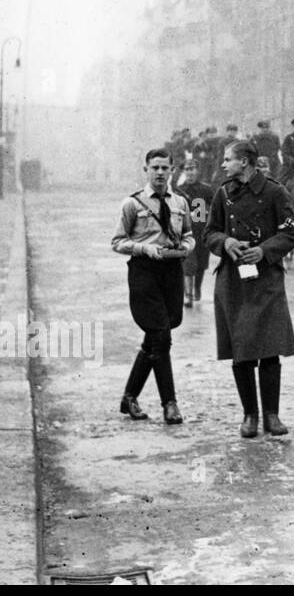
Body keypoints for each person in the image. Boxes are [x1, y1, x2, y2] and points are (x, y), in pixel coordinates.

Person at [206, 139, 294, 437]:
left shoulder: (274, 191)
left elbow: (292, 231)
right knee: (242, 348)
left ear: (244, 162)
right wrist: (227, 242)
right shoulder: (224, 193)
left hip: (266, 279)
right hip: (233, 282)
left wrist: (264, 251)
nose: (223, 165)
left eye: (228, 159)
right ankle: (250, 415)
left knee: (270, 347)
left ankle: (272, 416)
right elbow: (210, 232)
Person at [111, 147, 195, 423]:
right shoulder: (132, 203)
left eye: (165, 168)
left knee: (158, 335)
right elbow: (117, 242)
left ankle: (129, 398)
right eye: (155, 168)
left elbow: (189, 235)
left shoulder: (181, 202)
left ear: (172, 170)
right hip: (144, 272)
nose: (160, 173)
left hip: (171, 271)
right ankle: (169, 404)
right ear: (146, 170)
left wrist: (186, 247)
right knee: (162, 337)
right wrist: (145, 249)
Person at [175, 158, 214, 307]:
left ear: (198, 171)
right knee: (188, 264)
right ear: (184, 172)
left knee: (202, 263)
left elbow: (215, 206)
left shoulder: (206, 189)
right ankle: (188, 295)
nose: (190, 172)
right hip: (187, 233)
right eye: (187, 169)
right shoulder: (179, 190)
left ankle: (197, 286)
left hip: (203, 231)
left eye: (192, 169)